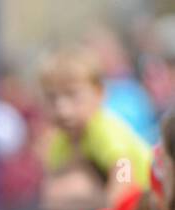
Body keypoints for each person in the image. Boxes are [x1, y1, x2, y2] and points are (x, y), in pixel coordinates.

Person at [39, 45, 152, 200]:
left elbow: (124, 172)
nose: (62, 109)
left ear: (99, 93)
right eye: (51, 98)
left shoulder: (103, 128)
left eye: (72, 95)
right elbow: (53, 180)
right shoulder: (60, 142)